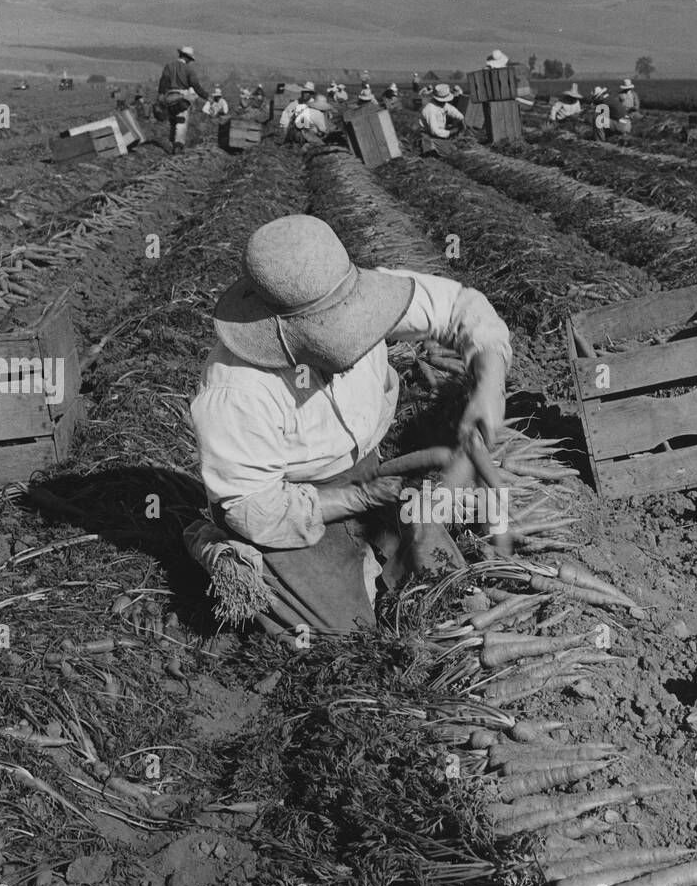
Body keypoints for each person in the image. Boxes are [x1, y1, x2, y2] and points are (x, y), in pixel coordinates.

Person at [189, 215, 511, 634]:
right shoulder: (236, 392)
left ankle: (368, 550)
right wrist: (357, 499)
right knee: (343, 629)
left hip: (370, 468)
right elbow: (255, 509)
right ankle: (213, 545)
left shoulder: (360, 295)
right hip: (286, 501)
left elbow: (458, 307)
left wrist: (488, 383)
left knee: (439, 580)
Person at [157, 46, 210, 152]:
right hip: (182, 96)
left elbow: (163, 82)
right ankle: (178, 145)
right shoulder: (189, 70)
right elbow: (196, 86)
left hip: (169, 96)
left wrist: (161, 95)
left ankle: (172, 143)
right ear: (187, 58)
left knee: (173, 121)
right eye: (189, 59)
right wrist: (206, 96)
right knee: (181, 122)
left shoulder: (169, 66)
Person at [419, 83, 465, 155]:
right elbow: (435, 131)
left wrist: (462, 119)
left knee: (455, 148)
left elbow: (452, 111)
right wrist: (451, 132)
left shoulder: (442, 104)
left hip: (439, 133)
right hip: (429, 136)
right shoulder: (430, 109)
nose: (445, 102)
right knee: (451, 152)